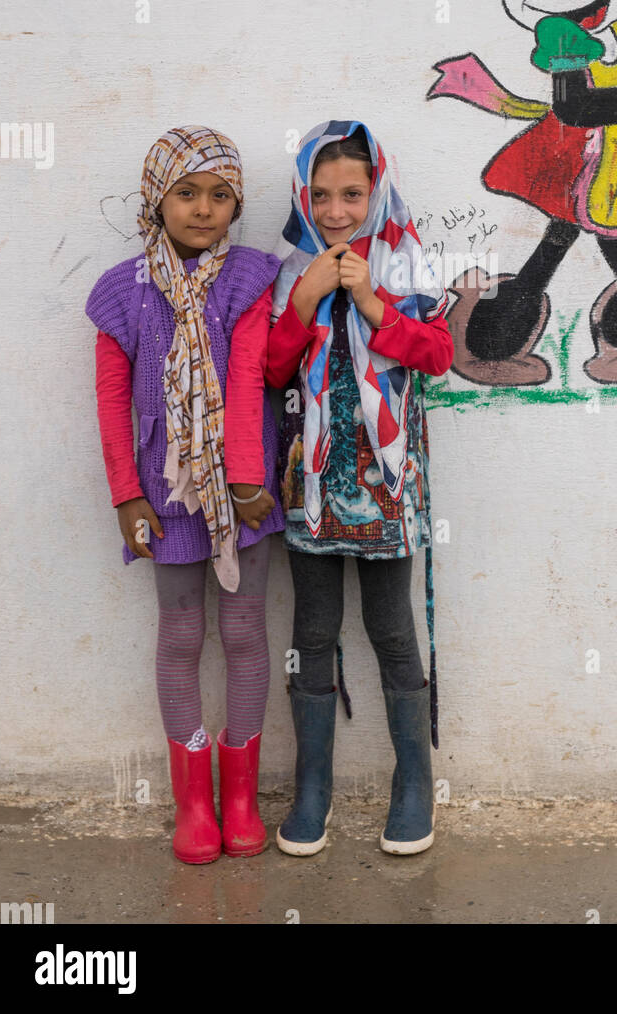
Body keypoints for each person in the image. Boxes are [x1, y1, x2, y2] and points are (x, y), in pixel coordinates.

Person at [84, 126, 285, 864]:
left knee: (243, 633)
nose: (203, 209)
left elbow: (247, 377)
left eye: (220, 195)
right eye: (187, 192)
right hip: (163, 501)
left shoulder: (251, 278)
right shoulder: (120, 292)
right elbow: (111, 401)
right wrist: (125, 495)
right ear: (157, 198)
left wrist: (242, 478)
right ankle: (194, 803)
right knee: (179, 637)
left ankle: (239, 798)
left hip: (246, 494)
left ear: (236, 205)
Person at [266, 120, 454, 856]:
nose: (335, 211)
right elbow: (271, 372)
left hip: (387, 482)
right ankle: (313, 788)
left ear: (377, 190)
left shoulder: (405, 263)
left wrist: (374, 304)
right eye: (319, 195)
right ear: (301, 198)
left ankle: (413, 785)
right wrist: (305, 301)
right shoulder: (291, 271)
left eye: (351, 193)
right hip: (310, 483)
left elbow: (436, 355)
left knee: (391, 631)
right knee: (312, 633)